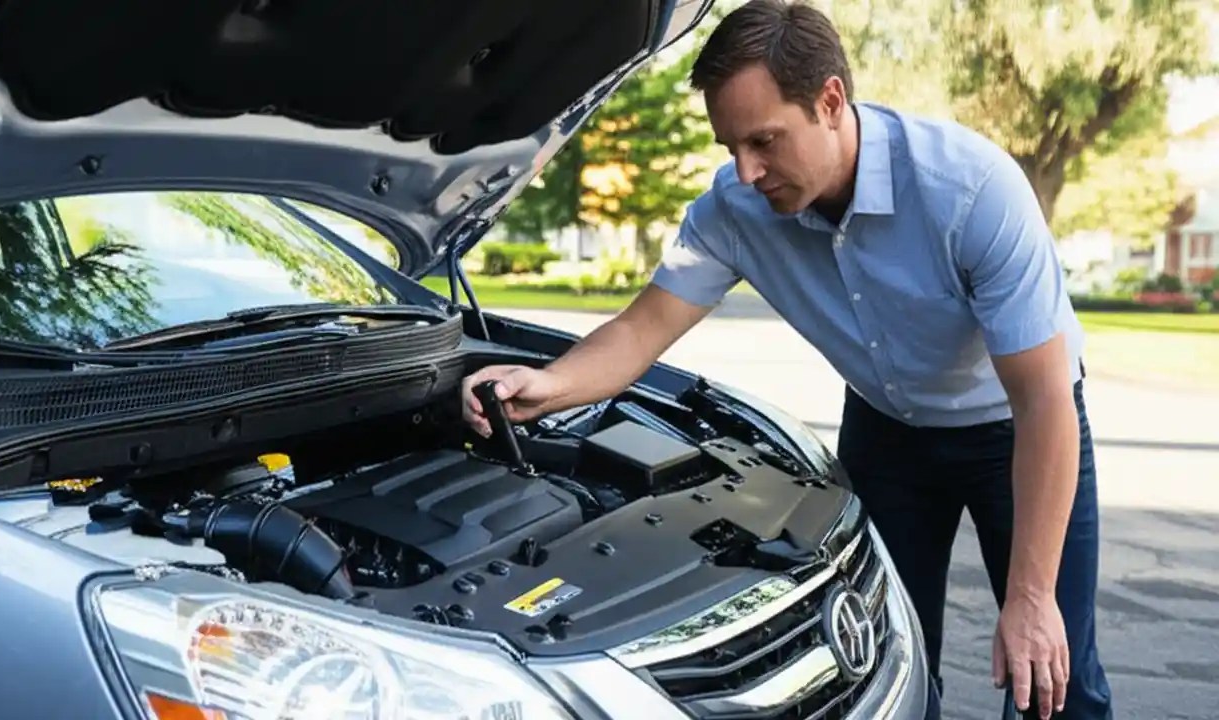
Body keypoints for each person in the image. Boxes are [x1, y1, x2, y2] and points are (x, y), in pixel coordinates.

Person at [460, 1, 1112, 718]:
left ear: (831, 101)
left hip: (1016, 433)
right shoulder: (733, 211)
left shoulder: (971, 192)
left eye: (764, 141)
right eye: (730, 146)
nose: (746, 171)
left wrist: (1028, 597)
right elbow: (639, 333)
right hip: (889, 432)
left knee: (1053, 673)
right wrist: (544, 385)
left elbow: (1045, 399)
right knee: (888, 652)